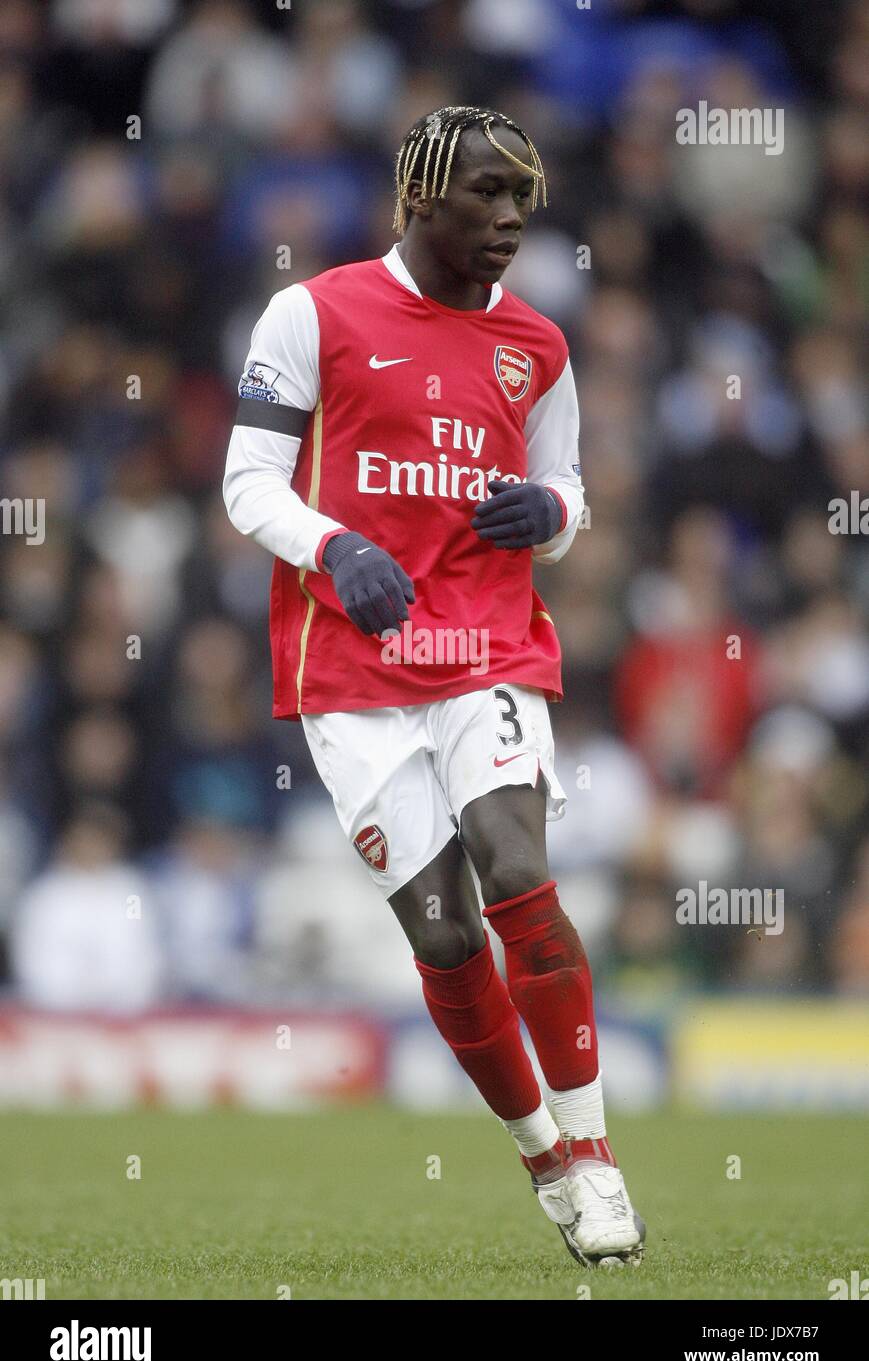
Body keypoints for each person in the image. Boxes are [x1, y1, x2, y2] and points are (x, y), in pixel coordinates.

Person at [223, 104, 644, 1267]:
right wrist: (334, 547)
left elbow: (567, 490)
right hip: (350, 670)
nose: (509, 219)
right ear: (419, 199)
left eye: (522, 199)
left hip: (485, 645)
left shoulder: (540, 346)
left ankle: (596, 1152)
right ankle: (540, 1155)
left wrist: (549, 513)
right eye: (485, 197)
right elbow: (247, 481)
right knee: (446, 932)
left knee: (513, 864)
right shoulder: (311, 313)